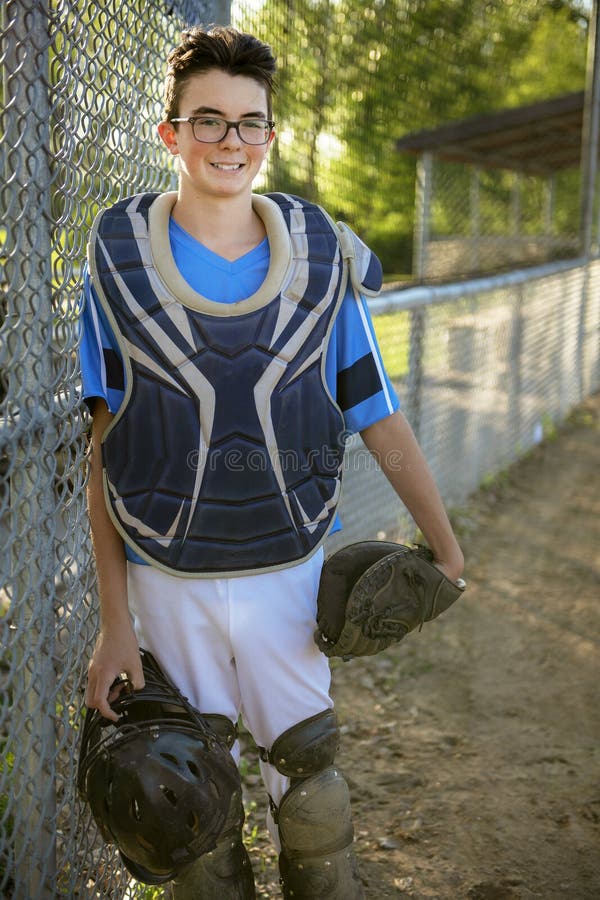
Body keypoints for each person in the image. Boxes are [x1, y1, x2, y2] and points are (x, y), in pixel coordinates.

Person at [79, 23, 464, 899]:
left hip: (285, 572)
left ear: (272, 136)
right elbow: (102, 449)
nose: (230, 141)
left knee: (310, 780)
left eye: (250, 123)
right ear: (170, 134)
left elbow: (380, 416)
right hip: (165, 575)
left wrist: (446, 546)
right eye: (207, 121)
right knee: (185, 798)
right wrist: (114, 623)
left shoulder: (319, 260)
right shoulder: (118, 261)